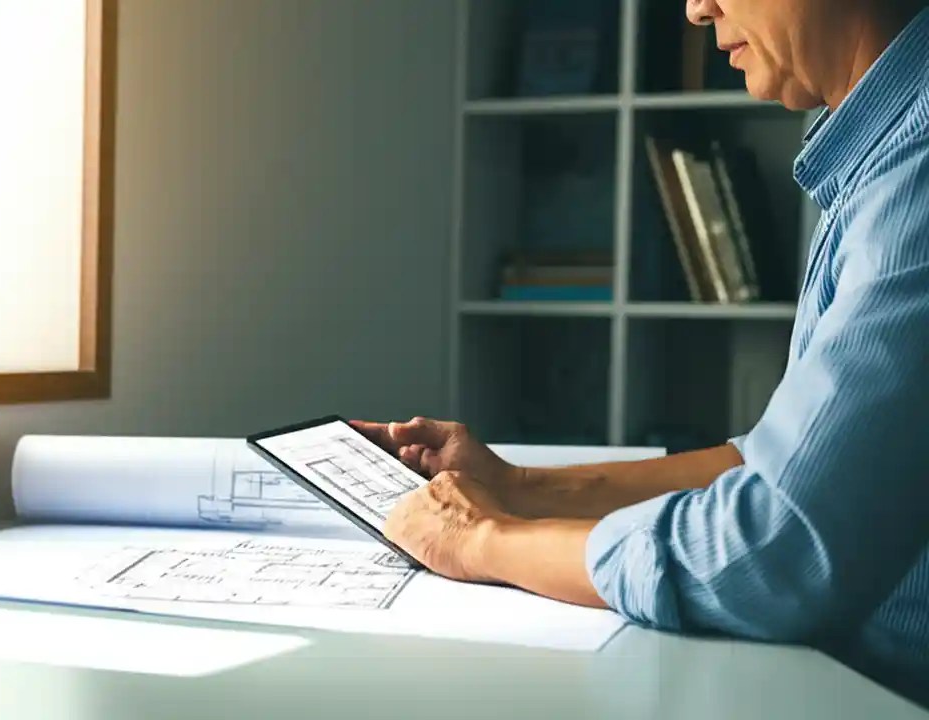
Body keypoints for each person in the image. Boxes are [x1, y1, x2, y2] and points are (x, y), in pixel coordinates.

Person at [357, 0, 929, 707]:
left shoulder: (919, 172)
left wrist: (484, 541)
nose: (695, 8)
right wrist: (518, 486)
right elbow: (779, 466)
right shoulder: (882, 149)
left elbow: (775, 554)